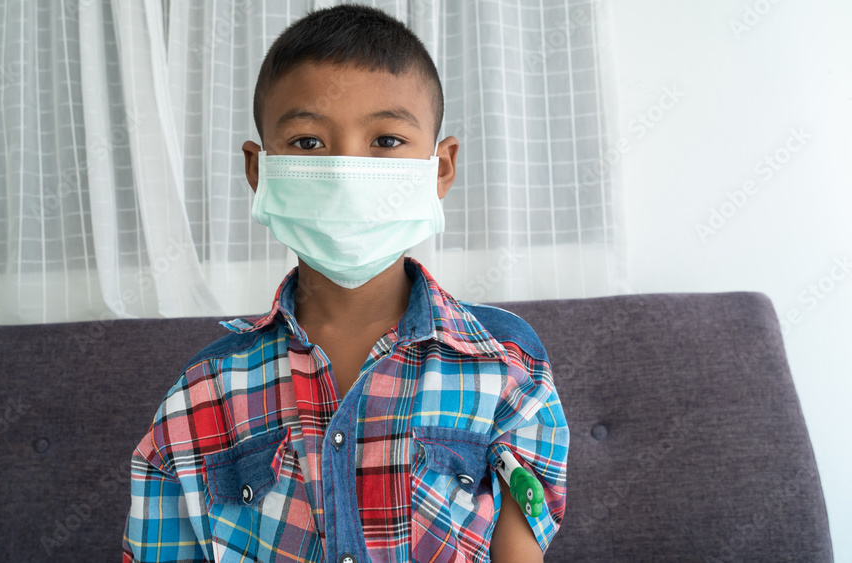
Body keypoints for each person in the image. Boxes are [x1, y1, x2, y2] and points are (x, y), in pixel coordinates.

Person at [122, 5, 568, 562]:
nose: (345, 173)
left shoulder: (507, 365)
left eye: (386, 140)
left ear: (441, 167)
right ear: (259, 170)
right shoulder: (201, 394)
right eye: (308, 142)